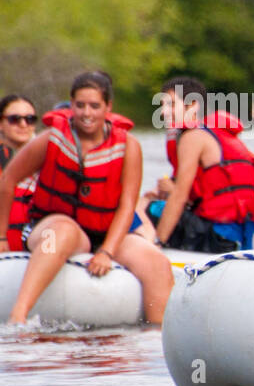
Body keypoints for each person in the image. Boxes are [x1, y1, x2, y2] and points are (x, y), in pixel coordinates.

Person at [0, 71, 172, 324]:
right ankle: (18, 317)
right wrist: (2, 236)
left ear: (108, 107)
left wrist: (107, 252)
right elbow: (8, 181)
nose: (86, 113)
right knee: (64, 230)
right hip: (50, 227)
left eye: (94, 106)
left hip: (104, 233)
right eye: (79, 105)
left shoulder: (128, 146)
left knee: (156, 263)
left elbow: (127, 207)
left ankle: (156, 342)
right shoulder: (51, 139)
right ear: (71, 105)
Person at [144, 76, 254, 252]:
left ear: (193, 105)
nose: (163, 112)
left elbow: (179, 197)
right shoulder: (218, 134)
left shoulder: (192, 137)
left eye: (171, 105)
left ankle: (144, 248)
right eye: (162, 106)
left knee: (145, 205)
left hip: (216, 238)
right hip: (240, 236)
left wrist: (157, 245)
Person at [1, 94, 39, 251]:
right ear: (1, 123)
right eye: (14, 119)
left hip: (35, 250)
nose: (23, 124)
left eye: (30, 119)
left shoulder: (49, 159)